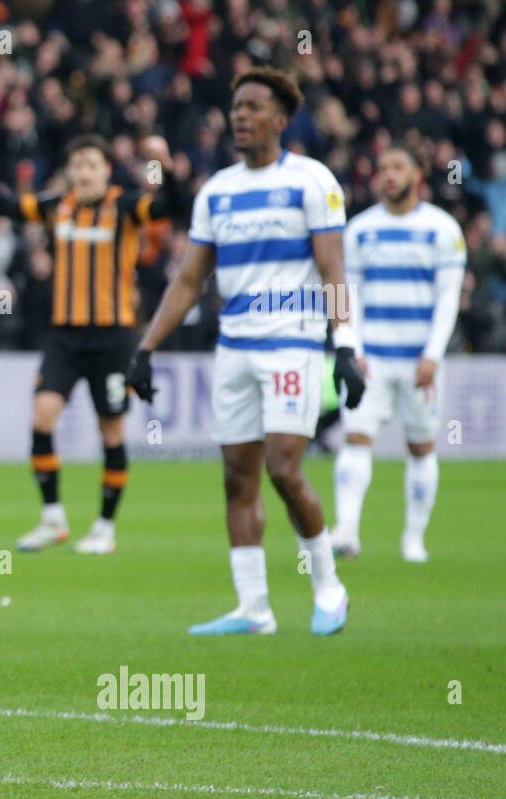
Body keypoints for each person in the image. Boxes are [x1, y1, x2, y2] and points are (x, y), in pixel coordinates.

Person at [126, 67, 367, 636]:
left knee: (284, 469)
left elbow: (333, 268)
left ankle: (329, 585)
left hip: (293, 346)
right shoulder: (218, 191)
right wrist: (145, 347)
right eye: (236, 107)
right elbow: (188, 281)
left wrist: (346, 346)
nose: (241, 116)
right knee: (238, 478)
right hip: (233, 348)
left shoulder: (313, 181)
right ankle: (254, 608)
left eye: (254, 107)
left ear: (280, 120)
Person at [0, 132, 185, 554]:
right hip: (64, 335)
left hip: (113, 336)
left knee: (110, 430)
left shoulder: (127, 206)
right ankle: (52, 517)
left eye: (91, 165)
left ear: (105, 171)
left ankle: (105, 527)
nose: (83, 173)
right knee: (42, 418)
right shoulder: (56, 206)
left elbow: (173, 206)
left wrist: (164, 166)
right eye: (77, 165)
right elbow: (3, 205)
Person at [332, 145, 466, 563]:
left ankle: (413, 540)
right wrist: (351, 345)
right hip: (371, 359)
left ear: (418, 174)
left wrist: (433, 354)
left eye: (398, 167)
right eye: (383, 167)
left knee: (421, 446)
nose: (388, 175)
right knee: (356, 438)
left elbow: (448, 298)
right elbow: (345, 292)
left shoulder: (442, 230)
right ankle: (347, 533)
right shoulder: (358, 230)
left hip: (418, 360)